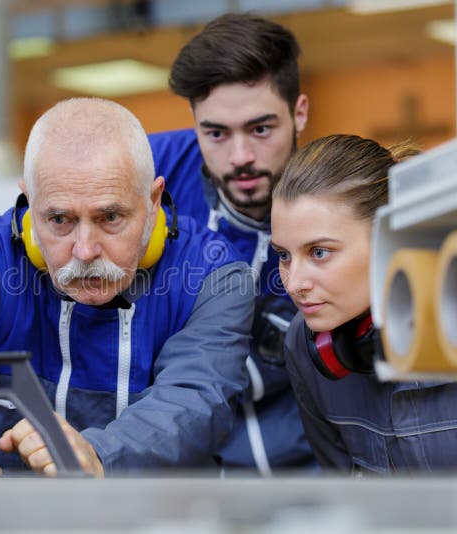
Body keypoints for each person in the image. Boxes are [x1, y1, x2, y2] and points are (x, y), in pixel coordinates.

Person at [0, 98, 255, 477]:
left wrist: (98, 454)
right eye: (59, 220)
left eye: (110, 217)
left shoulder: (213, 275)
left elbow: (195, 400)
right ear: (29, 203)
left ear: (153, 202)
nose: (85, 250)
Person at [273, 133, 457, 472]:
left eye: (319, 253)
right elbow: (348, 501)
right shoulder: (305, 346)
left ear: (390, 236)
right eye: (284, 256)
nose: (295, 283)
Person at [147, 13, 315, 474]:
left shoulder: (337, 204)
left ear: (299, 113)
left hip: (303, 468)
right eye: (216, 133)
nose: (240, 157)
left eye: (261, 129)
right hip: (171, 464)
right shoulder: (147, 173)